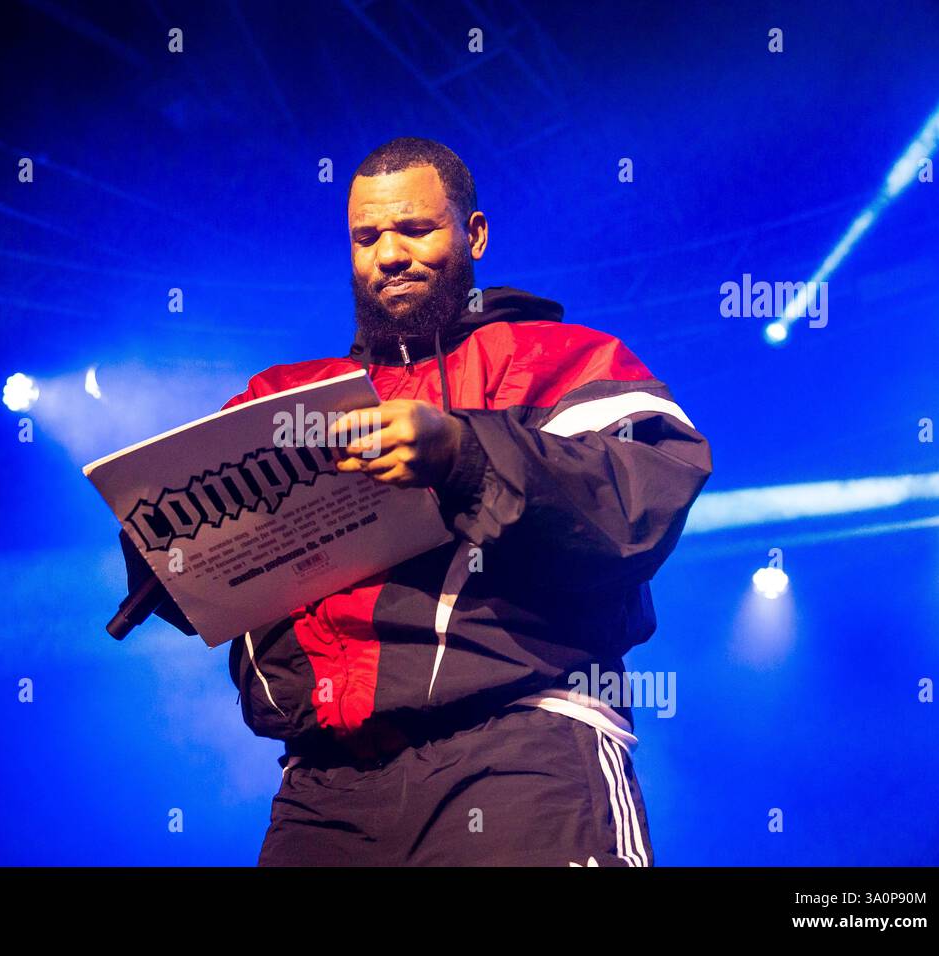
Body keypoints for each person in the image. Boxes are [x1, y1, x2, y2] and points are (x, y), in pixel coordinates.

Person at [125, 137, 712, 865]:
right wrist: (160, 547)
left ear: (475, 234)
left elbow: (637, 510)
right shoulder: (279, 397)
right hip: (322, 784)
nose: (389, 254)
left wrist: (461, 454)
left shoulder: (567, 359)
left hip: (523, 748)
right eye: (367, 237)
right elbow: (209, 580)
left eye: (415, 229)